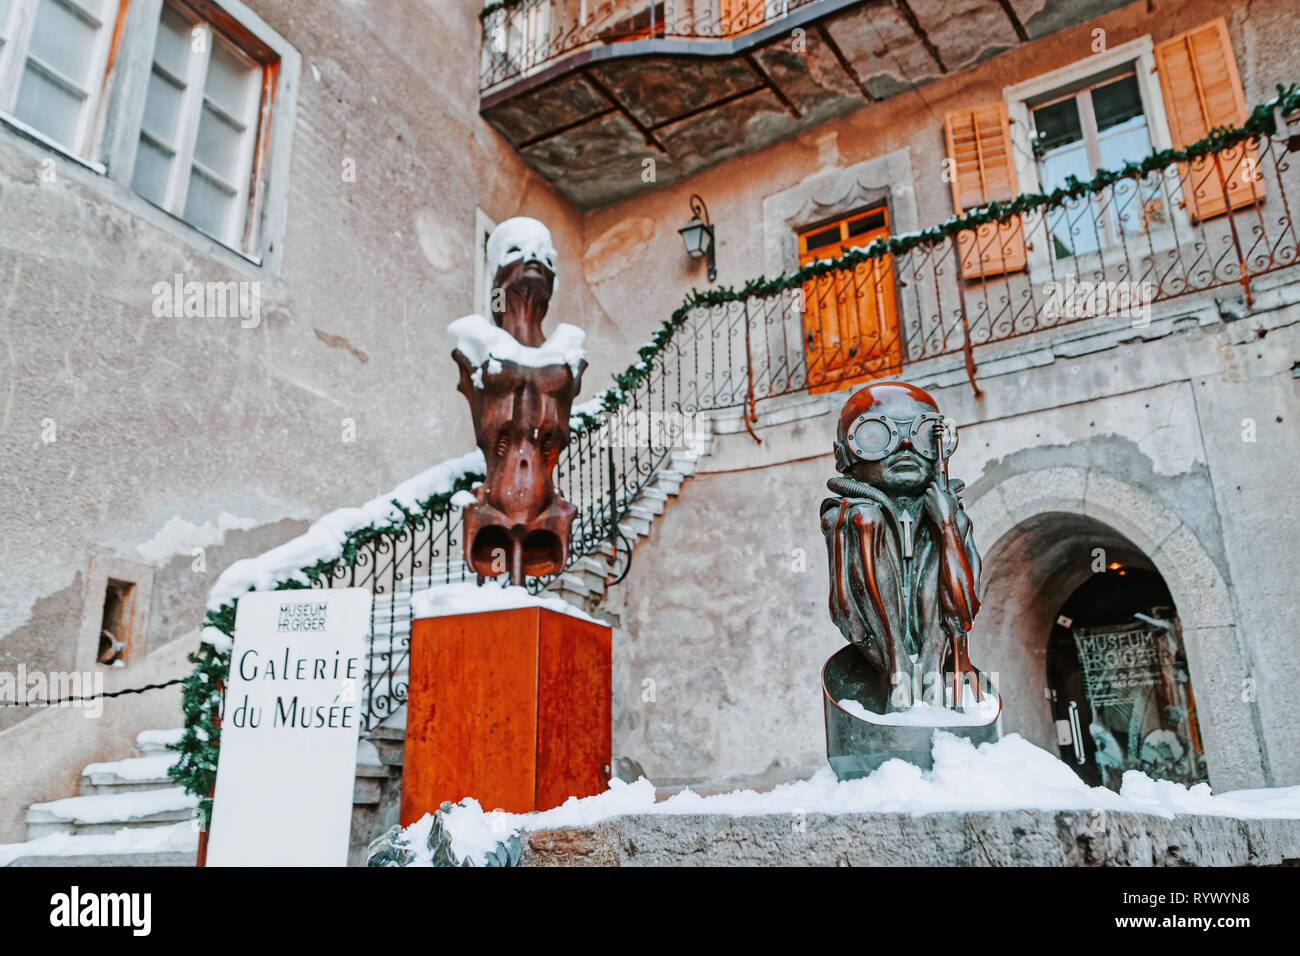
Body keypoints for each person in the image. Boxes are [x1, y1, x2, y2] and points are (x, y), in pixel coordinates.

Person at [820, 381, 982, 709]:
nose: (906, 445)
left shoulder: (954, 515)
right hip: (880, 651)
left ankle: (931, 674)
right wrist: (895, 661)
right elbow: (846, 613)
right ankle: (898, 667)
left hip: (937, 659)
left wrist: (949, 528)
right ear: (843, 455)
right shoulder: (849, 519)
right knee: (863, 518)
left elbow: (964, 615)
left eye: (922, 434)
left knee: (948, 527)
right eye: (877, 436)